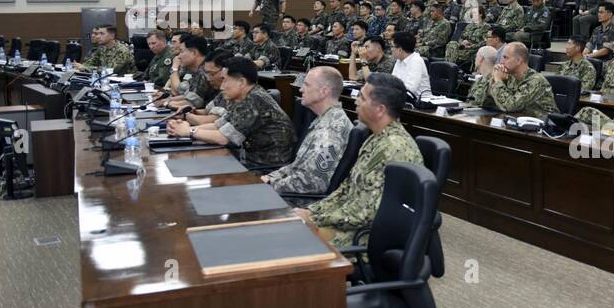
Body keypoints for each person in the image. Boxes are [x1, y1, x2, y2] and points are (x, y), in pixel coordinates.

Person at [296, 74, 424, 245]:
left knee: (291, 243)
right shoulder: (376, 138)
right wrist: (311, 212)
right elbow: (346, 191)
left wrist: (316, 219)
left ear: (380, 110)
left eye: (362, 97)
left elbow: (368, 212)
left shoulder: (393, 150)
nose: (356, 101)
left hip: (364, 237)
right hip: (348, 224)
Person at [167, 56, 296, 167]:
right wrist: (184, 128)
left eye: (225, 80)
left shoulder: (255, 99)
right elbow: (219, 125)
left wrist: (189, 131)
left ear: (241, 82)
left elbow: (223, 138)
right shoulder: (245, 96)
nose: (222, 86)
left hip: (263, 167)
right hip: (246, 159)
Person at [261, 66, 353, 196]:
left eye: (307, 85)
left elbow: (313, 182)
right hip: (292, 190)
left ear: (324, 91)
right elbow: (296, 166)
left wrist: (270, 185)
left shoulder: (331, 130)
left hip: (301, 201)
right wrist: (270, 177)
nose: (301, 89)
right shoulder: (324, 118)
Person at [488, 42, 557, 117]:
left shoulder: (536, 81)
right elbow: (486, 101)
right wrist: (493, 79)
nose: (501, 62)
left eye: (505, 58)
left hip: (543, 123)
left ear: (518, 61)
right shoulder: (509, 76)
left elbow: (509, 106)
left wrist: (498, 80)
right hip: (517, 120)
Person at [388, 31, 431, 98]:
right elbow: (392, 83)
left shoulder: (416, 61)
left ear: (400, 50)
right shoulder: (399, 60)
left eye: (392, 46)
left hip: (420, 102)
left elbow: (410, 89)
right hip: (402, 99)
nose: (391, 49)